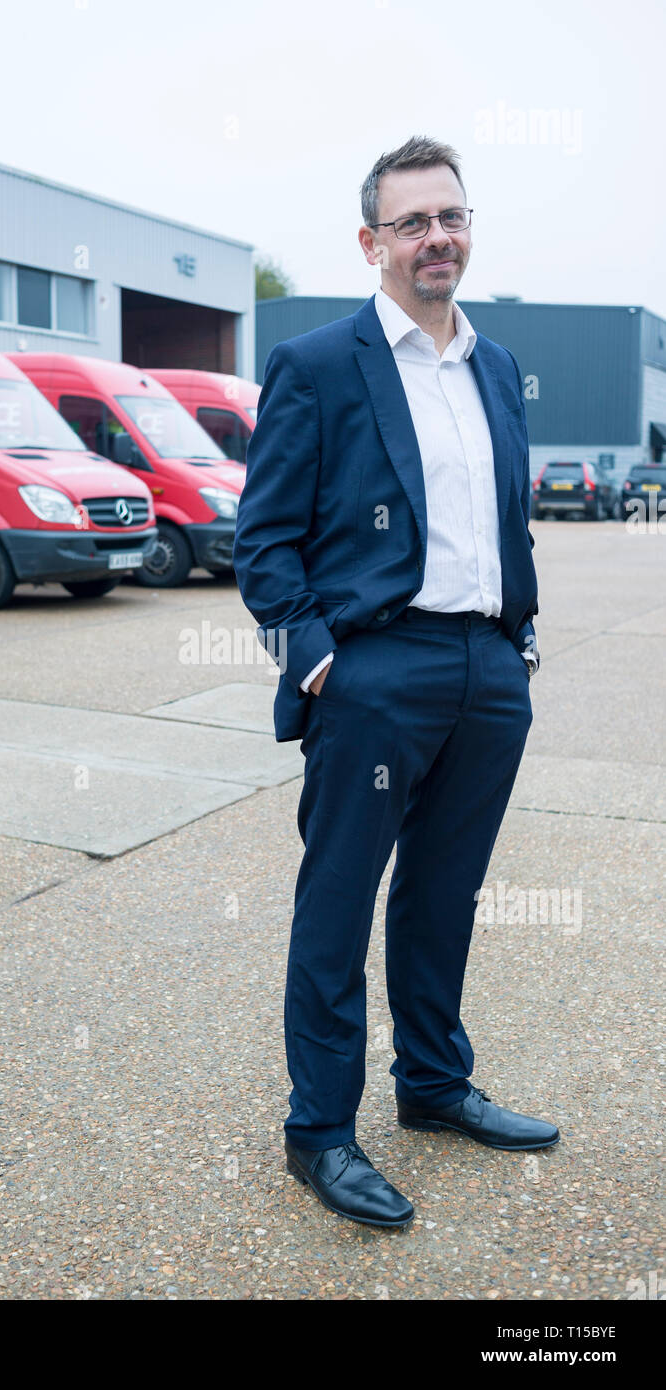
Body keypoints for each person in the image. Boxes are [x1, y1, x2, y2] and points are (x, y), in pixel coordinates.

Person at [232, 136, 559, 1231]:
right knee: (339, 901)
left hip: (484, 670)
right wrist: (322, 656)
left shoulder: (496, 366)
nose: (437, 238)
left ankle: (431, 1083)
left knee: (443, 894)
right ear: (371, 242)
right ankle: (320, 1130)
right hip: (373, 672)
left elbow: (501, 521)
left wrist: (518, 636)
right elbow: (265, 542)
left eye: (451, 217)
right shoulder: (319, 364)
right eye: (413, 222)